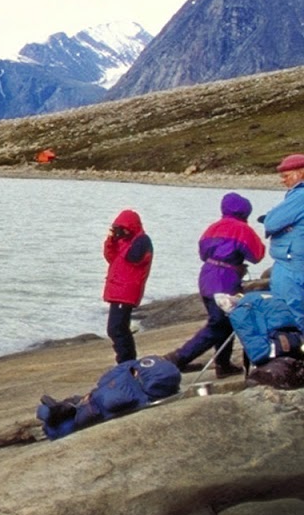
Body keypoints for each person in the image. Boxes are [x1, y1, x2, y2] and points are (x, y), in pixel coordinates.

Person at [165, 192, 265, 377]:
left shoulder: (212, 228)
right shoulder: (242, 229)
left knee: (225, 322)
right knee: (219, 324)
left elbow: (203, 253)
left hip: (207, 274)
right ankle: (178, 358)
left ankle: (223, 365)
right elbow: (257, 255)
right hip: (225, 278)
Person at [102, 209, 153, 362]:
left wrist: (125, 238)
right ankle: (127, 362)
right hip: (118, 291)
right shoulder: (124, 242)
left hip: (127, 291)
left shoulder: (142, 240)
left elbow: (134, 258)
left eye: (121, 228)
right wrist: (112, 240)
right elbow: (110, 257)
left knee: (117, 329)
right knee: (117, 328)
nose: (119, 232)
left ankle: (126, 362)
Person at [261, 153, 304, 311]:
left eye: (286, 175)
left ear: (300, 173)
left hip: (292, 263)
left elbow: (271, 223)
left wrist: (276, 221)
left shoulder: (300, 195)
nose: (283, 180)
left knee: (290, 310)